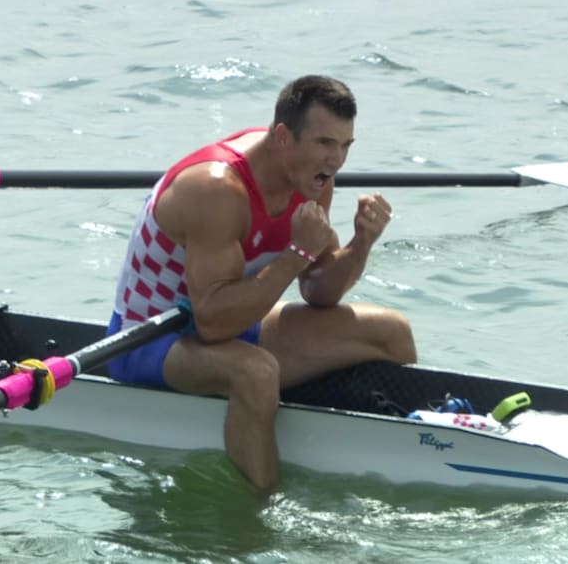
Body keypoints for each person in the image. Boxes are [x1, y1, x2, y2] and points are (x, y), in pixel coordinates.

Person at [106, 75, 417, 490]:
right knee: (255, 372)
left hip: (232, 323)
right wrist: (295, 256)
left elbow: (318, 291)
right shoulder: (216, 189)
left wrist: (361, 243)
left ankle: (407, 449)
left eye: (345, 146)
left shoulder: (311, 176)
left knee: (390, 332)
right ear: (284, 137)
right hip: (146, 339)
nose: (336, 160)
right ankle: (260, 516)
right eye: (325, 143)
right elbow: (214, 323)